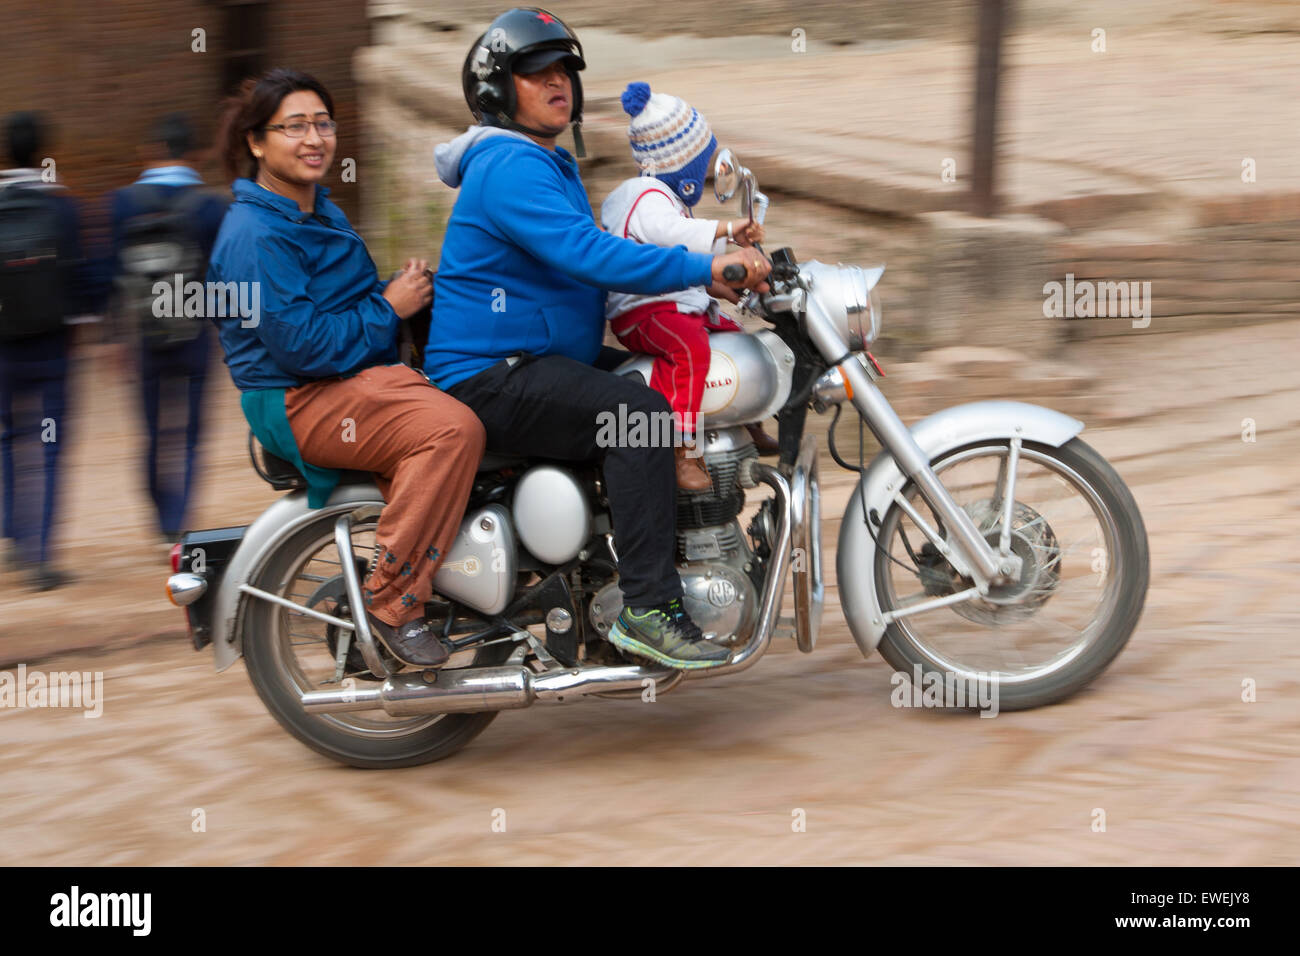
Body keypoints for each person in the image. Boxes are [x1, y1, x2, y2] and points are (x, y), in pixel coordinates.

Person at [426, 8, 771, 670]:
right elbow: (589, 255)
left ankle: (654, 558)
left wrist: (707, 288)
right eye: (537, 72)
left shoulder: (541, 162)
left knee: (671, 374)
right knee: (638, 416)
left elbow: (593, 260)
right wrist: (704, 264)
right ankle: (649, 607)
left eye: (564, 71)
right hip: (492, 373)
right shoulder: (508, 165)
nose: (558, 82)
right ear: (500, 90)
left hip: (541, 359)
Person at [208, 68, 486, 668]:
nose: (315, 138)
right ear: (257, 142)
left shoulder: (316, 210)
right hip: (297, 395)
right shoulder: (257, 234)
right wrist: (390, 306)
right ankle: (391, 602)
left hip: (341, 380)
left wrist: (407, 295)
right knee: (451, 430)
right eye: (295, 127)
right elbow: (303, 346)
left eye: (323, 123)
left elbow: (334, 309)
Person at [600, 81, 770, 491]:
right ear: (680, 160)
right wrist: (729, 228)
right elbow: (670, 233)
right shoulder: (644, 195)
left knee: (734, 338)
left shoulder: (667, 198)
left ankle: (747, 420)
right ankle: (680, 448)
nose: (707, 172)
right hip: (641, 310)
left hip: (672, 302)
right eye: (703, 162)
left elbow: (683, 250)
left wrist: (722, 279)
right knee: (689, 349)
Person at [108, 113, 229, 542]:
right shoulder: (212, 205)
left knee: (152, 431)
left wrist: (113, 337)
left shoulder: (122, 203)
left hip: (145, 335)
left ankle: (160, 513)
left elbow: (111, 275)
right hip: (194, 332)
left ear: (152, 151)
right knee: (192, 432)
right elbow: (223, 275)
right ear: (194, 155)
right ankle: (178, 518)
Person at [0, 112, 91, 590]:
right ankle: (41, 556)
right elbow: (82, 282)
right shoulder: (63, 207)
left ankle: (14, 535)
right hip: (54, 346)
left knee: (8, 438)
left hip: (4, 347)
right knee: (50, 445)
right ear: (44, 153)